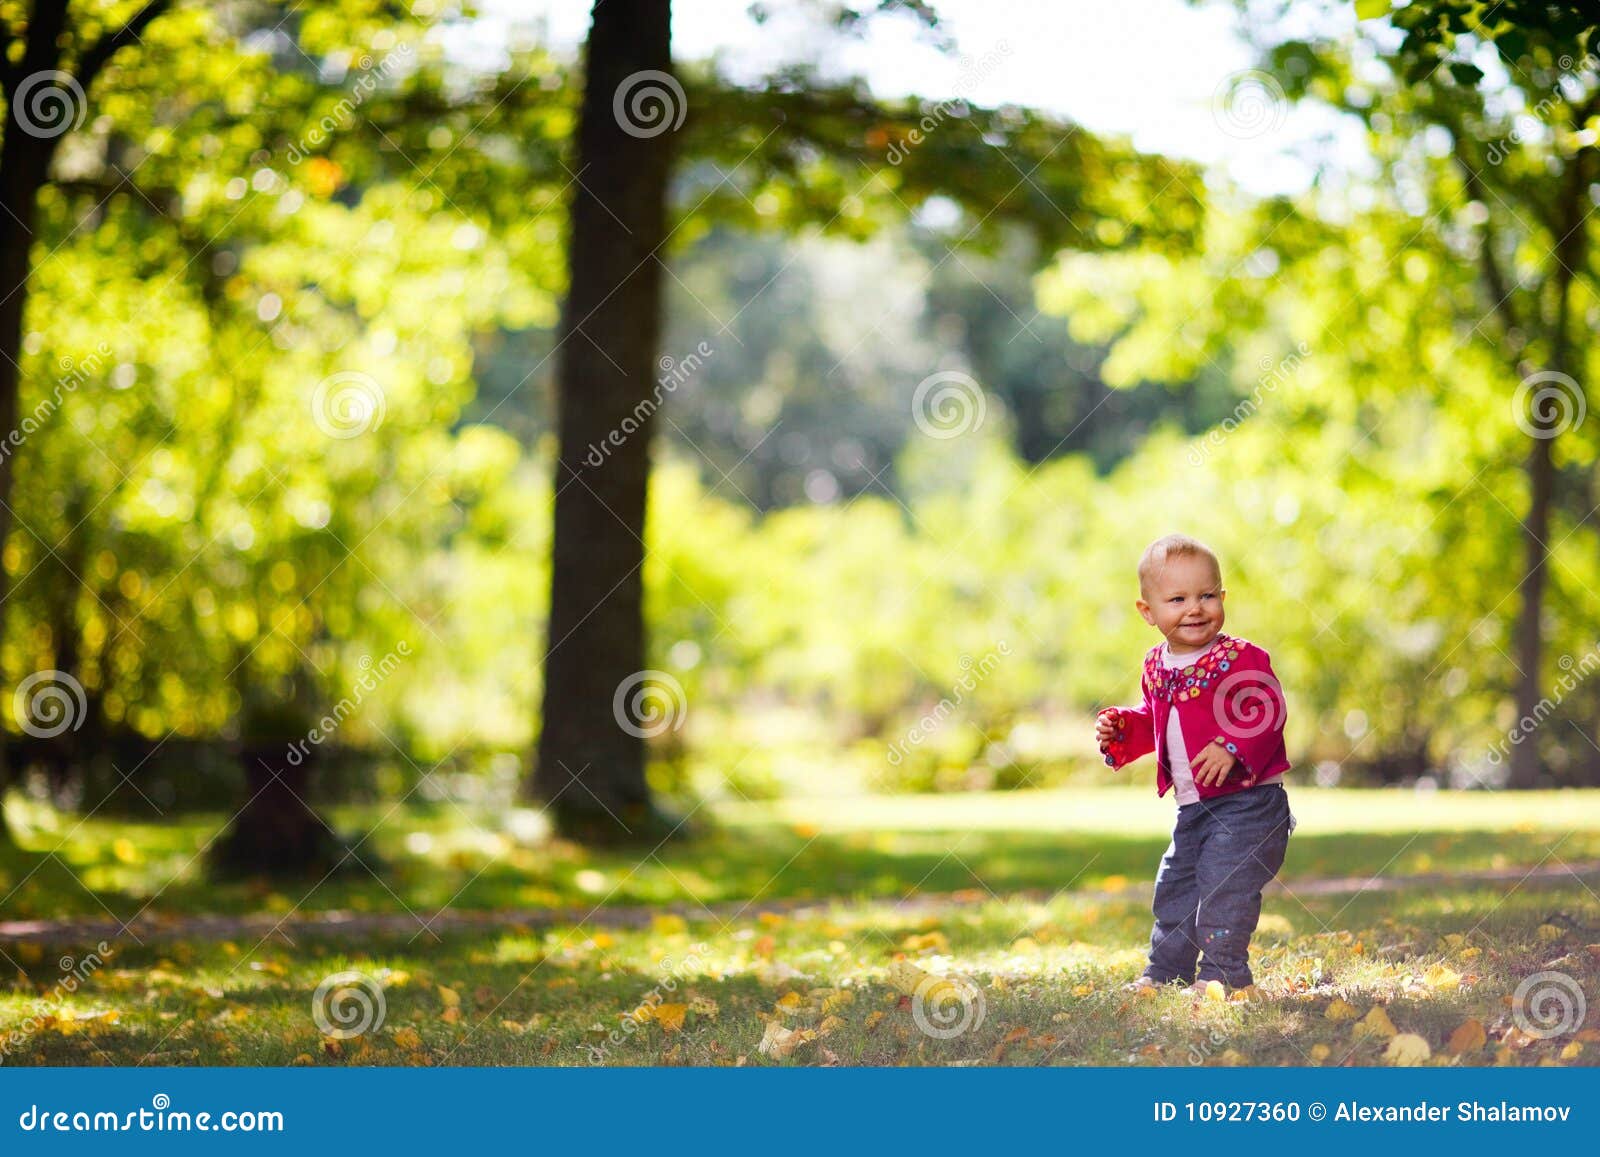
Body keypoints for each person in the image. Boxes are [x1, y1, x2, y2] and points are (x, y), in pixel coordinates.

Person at [1094, 533, 1296, 999]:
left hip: (1249, 803)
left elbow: (1266, 707)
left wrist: (1231, 746)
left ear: (1222, 598)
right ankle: (1166, 970)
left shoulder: (1241, 657)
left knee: (1224, 888)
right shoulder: (1157, 666)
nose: (1195, 608)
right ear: (1148, 612)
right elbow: (1160, 722)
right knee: (1176, 887)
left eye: (1207, 596)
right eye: (1178, 599)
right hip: (1193, 808)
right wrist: (1126, 728)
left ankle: (1224, 974)